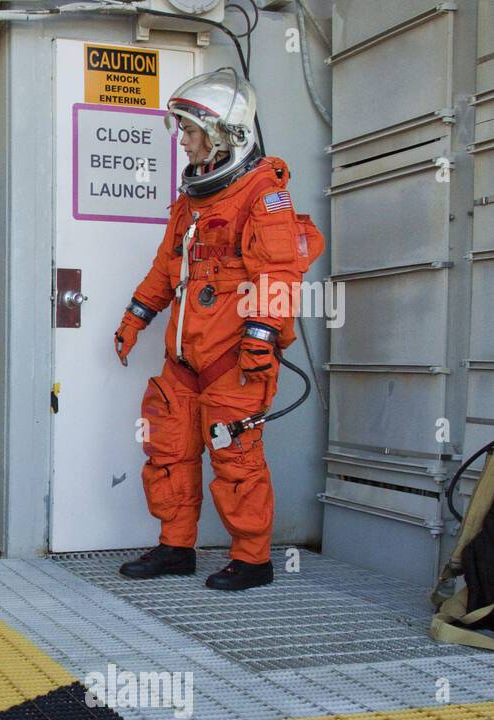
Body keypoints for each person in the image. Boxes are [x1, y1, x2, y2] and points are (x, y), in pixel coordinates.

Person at [114, 69, 323, 591]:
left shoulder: (263, 193)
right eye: (182, 130)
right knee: (169, 452)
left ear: (226, 134)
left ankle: (254, 560)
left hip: (234, 357)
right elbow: (168, 266)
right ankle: (175, 547)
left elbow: (279, 272)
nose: (183, 141)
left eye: (190, 131)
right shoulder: (190, 201)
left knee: (237, 461)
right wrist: (134, 318)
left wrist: (260, 337)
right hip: (184, 360)